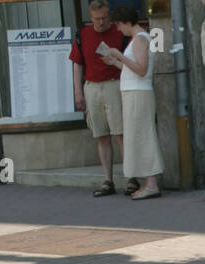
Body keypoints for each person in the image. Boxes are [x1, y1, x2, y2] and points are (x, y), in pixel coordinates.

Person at [69, 1, 138, 197]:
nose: (101, 22)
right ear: (91, 18)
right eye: (97, 19)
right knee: (101, 135)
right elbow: (77, 64)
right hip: (92, 86)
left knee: (121, 133)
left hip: (114, 83)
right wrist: (78, 91)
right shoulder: (83, 35)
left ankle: (131, 177)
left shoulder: (119, 34)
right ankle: (108, 179)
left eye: (105, 18)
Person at [99, 6, 162, 200]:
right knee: (138, 136)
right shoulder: (140, 39)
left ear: (126, 22)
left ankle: (151, 184)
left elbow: (141, 70)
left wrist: (118, 55)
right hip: (135, 92)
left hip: (138, 93)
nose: (118, 29)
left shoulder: (140, 39)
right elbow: (136, 69)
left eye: (119, 25)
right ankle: (149, 182)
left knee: (143, 136)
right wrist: (117, 63)